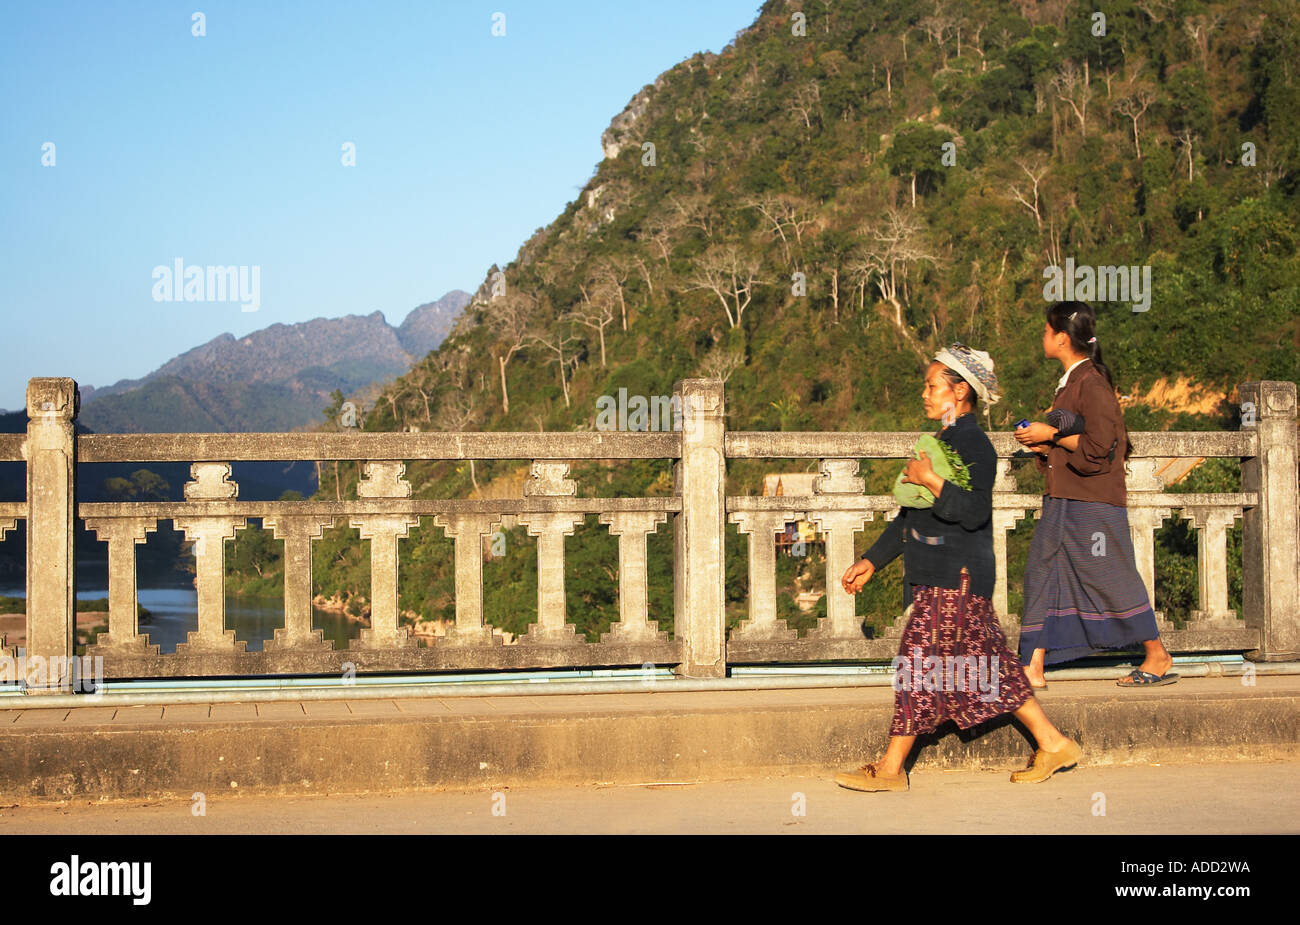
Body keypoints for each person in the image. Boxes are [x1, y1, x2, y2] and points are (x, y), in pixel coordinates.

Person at [835, 345, 1082, 792]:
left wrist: (931, 479)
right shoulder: (943, 441)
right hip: (940, 577)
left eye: (933, 386)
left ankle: (891, 769)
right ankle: (1054, 742)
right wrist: (872, 559)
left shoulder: (973, 445)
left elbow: (972, 511)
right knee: (989, 667)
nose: (925, 394)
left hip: (957, 577)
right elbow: (911, 516)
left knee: (917, 666)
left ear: (960, 390)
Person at [1013, 301, 1176, 688]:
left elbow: (1101, 447)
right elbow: (1075, 444)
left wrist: (1051, 435)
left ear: (1062, 338)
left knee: (1108, 575)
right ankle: (1032, 665)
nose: (1043, 337)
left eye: (1046, 330)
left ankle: (1158, 654)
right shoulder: (1072, 382)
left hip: (1092, 503)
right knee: (1041, 573)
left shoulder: (1092, 384)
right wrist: (1044, 446)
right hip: (1064, 500)